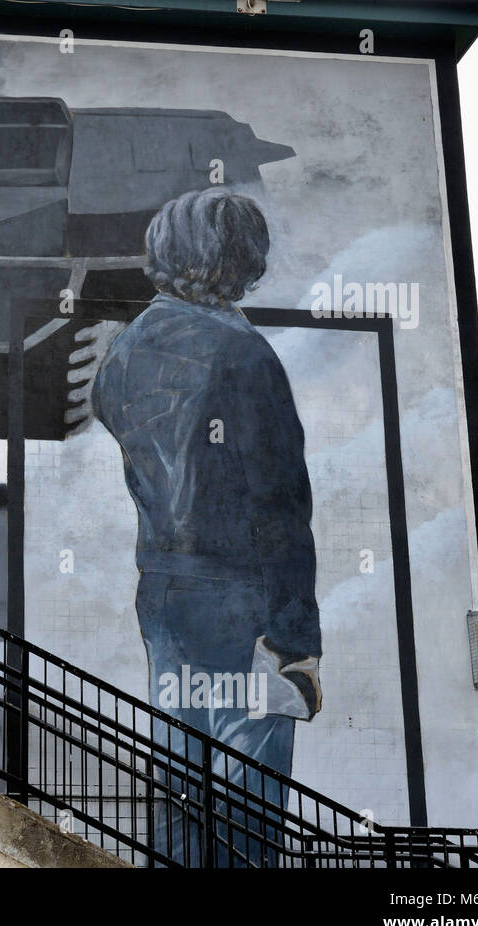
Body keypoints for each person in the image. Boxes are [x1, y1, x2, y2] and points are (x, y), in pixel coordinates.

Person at [92, 187, 322, 865]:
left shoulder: (125, 353)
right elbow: (281, 506)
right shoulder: (247, 358)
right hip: (247, 595)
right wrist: (296, 639)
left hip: (162, 589)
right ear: (237, 260)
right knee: (249, 795)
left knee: (178, 779)